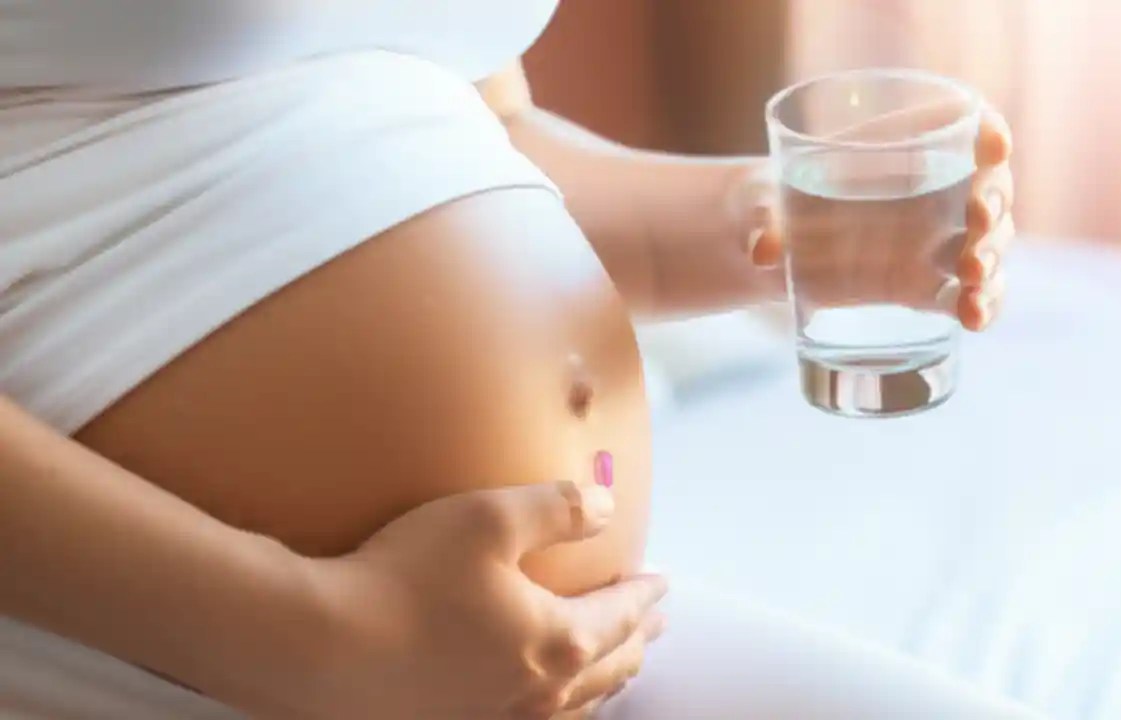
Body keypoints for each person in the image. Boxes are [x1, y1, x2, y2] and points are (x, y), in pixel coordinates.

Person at [0, 1, 1025, 718]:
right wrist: (309, 639)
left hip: (534, 669)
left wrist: (768, 226)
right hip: (133, 661)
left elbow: (487, 133)